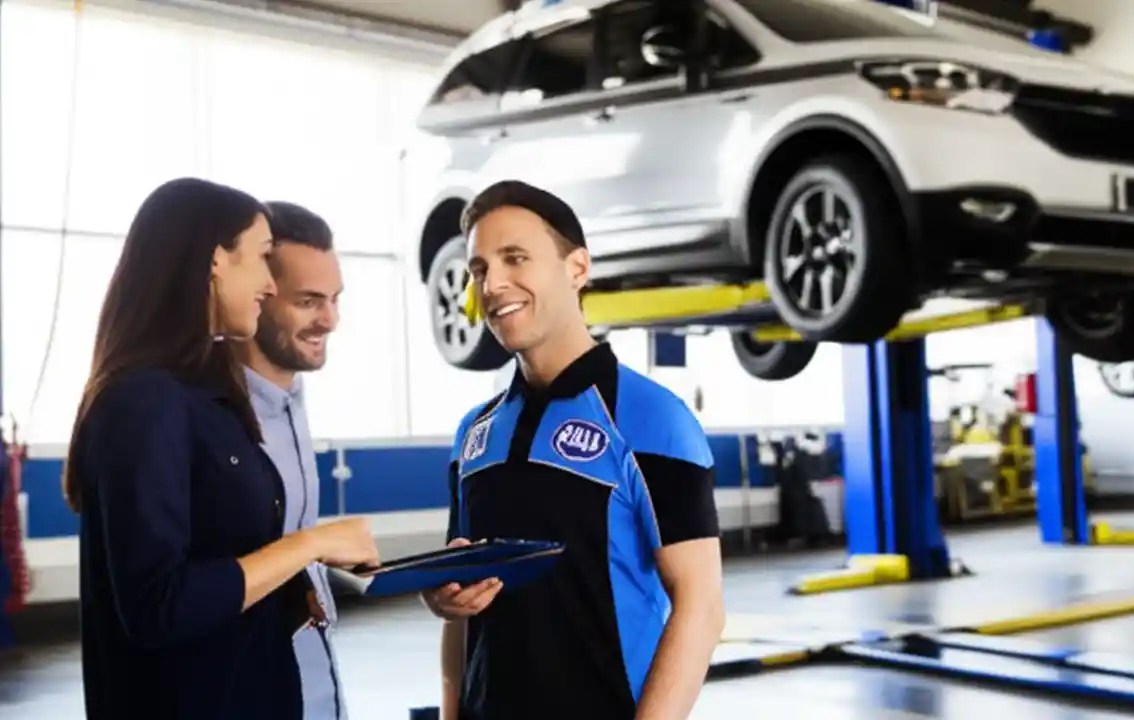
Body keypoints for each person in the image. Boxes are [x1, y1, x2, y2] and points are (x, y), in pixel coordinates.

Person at [64, 177, 380, 720]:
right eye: (260, 259)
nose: (266, 283)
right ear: (215, 260)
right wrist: (308, 546)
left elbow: (218, 562)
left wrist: (285, 595)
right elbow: (157, 605)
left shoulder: (206, 398)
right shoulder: (145, 401)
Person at [421, 180, 726, 720]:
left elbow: (700, 608)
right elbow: (461, 605)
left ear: (577, 268)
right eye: (479, 269)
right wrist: (445, 601)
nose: (493, 284)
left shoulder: (652, 419)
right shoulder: (474, 434)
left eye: (515, 258)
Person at [239, 201, 347, 720]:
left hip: (318, 690)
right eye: (309, 301)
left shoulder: (294, 398)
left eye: (334, 299)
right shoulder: (210, 421)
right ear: (259, 293)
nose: (330, 319)